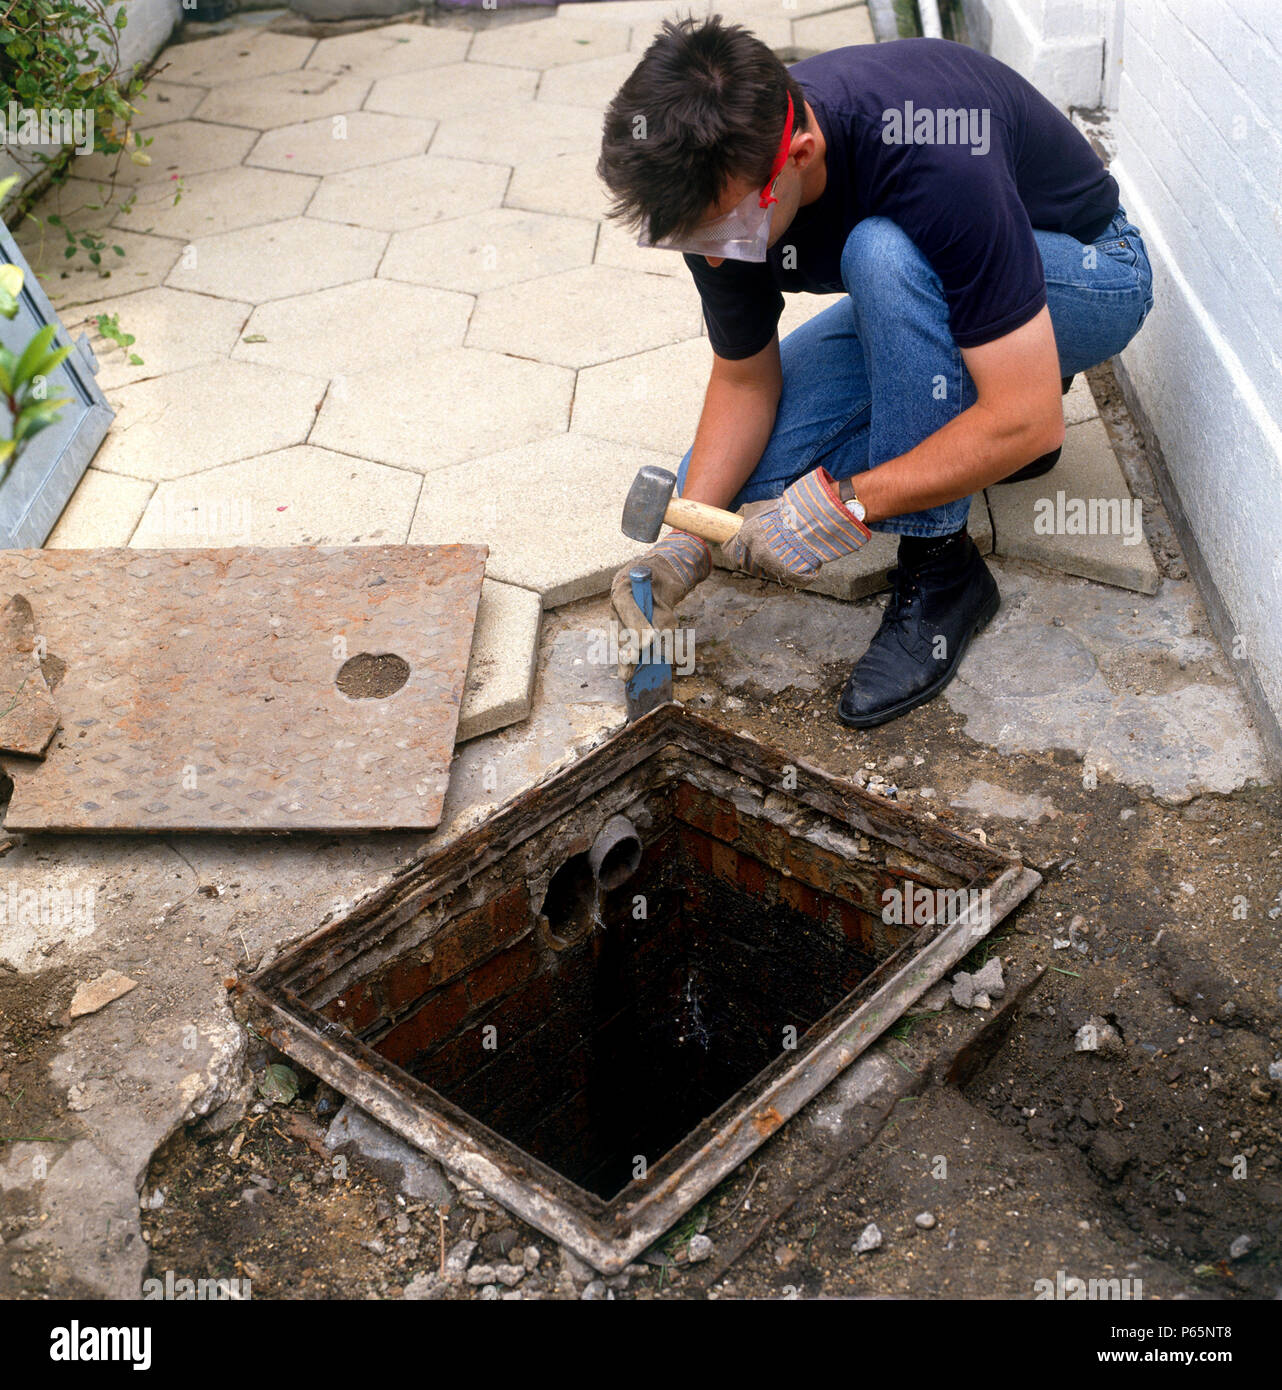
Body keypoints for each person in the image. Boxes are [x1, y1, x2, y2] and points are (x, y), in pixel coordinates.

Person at [599, 16, 1153, 726]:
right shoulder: (715, 187)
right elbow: (744, 381)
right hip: (946, 284)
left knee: (882, 252)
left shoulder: (929, 151)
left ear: (801, 153)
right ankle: (980, 383)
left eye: (725, 233)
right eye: (686, 238)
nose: (712, 259)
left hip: (1089, 276)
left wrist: (853, 503)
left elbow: (1030, 415)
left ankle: (941, 566)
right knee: (749, 490)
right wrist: (687, 542)